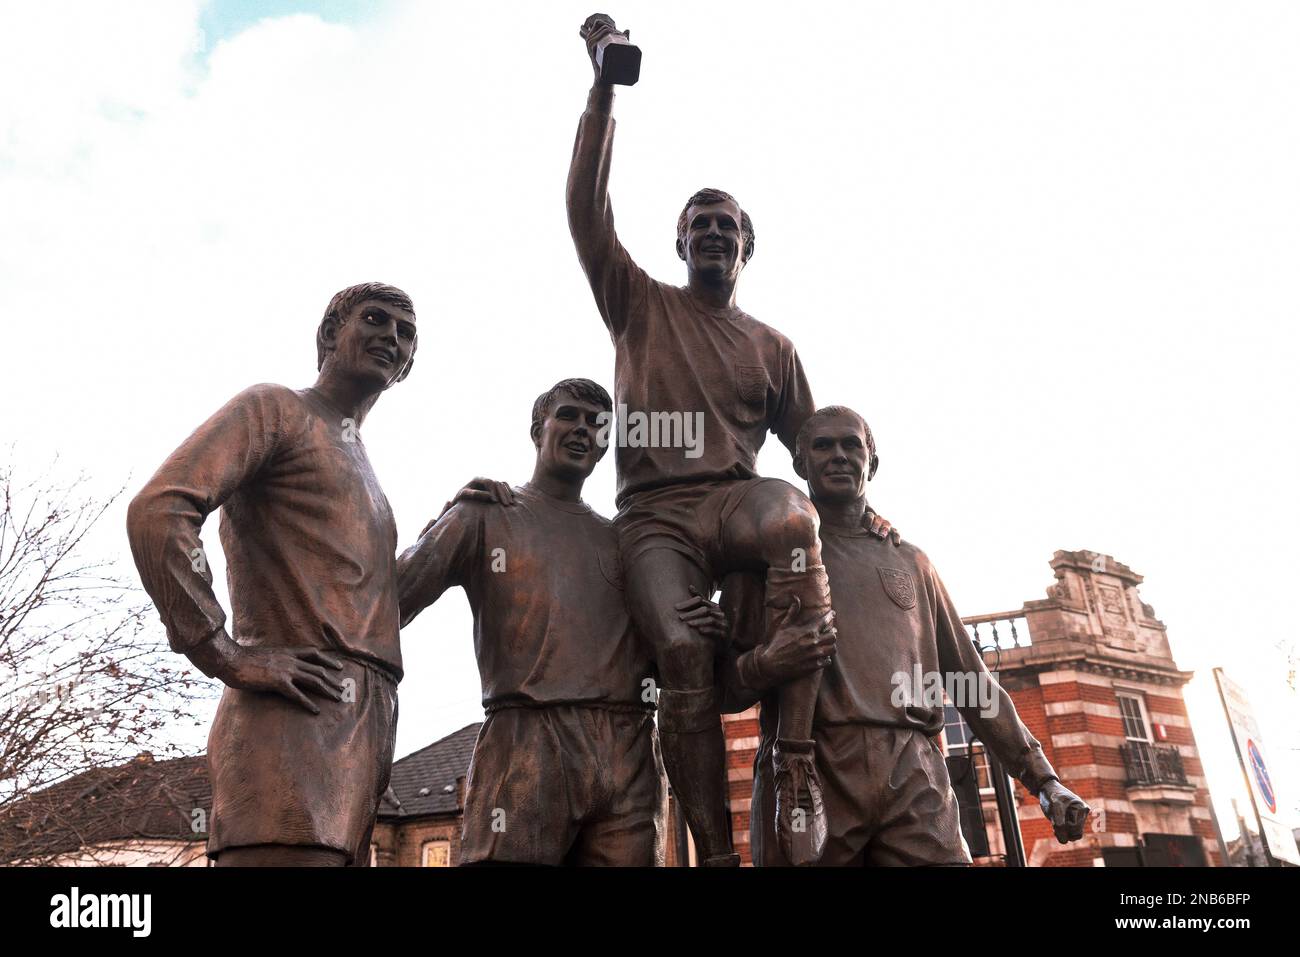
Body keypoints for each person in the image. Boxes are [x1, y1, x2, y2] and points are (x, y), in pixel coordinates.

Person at [566, 13, 892, 866]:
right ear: (678, 242)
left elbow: (817, 452)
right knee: (682, 652)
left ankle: (791, 758)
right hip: (656, 516)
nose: (712, 233)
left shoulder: (773, 346)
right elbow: (585, 210)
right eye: (698, 224)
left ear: (747, 248)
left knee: (792, 516)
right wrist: (603, 91)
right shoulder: (638, 301)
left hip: (734, 503)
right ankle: (713, 849)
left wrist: (870, 518)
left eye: (727, 226)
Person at [127, 283, 418, 866]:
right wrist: (223, 651)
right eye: (375, 319)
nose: (392, 336)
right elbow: (160, 509)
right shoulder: (276, 410)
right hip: (291, 719)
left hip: (368, 727)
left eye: (405, 332)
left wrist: (462, 523)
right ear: (330, 334)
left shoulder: (360, 460)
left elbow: (369, 600)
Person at [722, 406, 1091, 865]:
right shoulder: (766, 558)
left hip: (915, 773)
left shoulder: (912, 563)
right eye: (822, 446)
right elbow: (722, 689)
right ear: (800, 463)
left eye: (851, 445)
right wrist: (767, 663)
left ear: (871, 462)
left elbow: (971, 683)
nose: (838, 456)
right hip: (812, 769)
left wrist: (1044, 780)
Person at [398, 378, 669, 865]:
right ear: (537, 428)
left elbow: (667, 653)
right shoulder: (487, 515)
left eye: (597, 423)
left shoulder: (626, 543)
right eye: (570, 416)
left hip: (629, 748)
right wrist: (443, 519)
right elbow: (391, 599)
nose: (584, 430)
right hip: (527, 740)